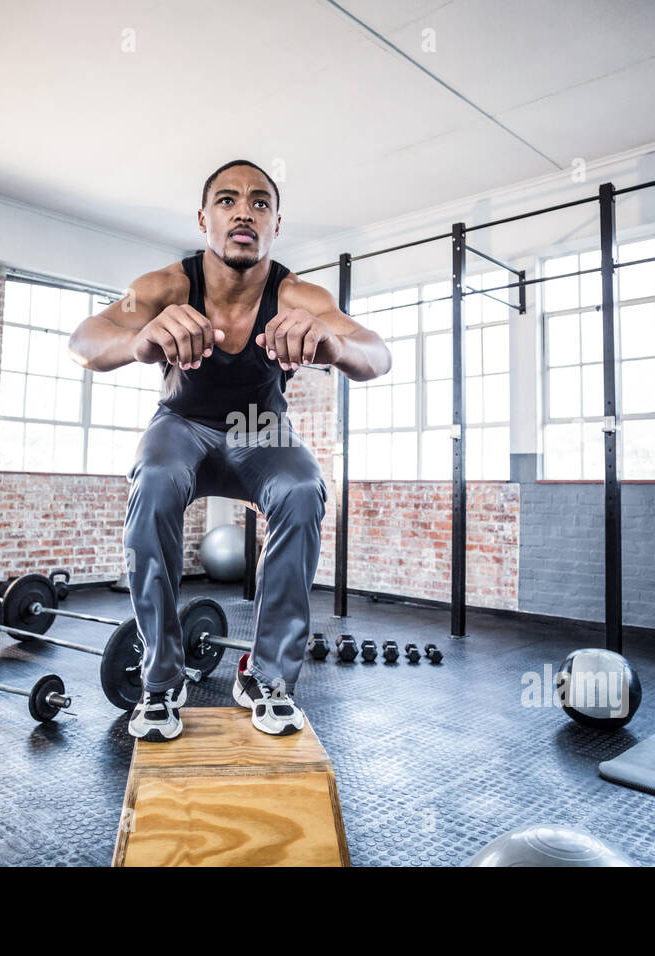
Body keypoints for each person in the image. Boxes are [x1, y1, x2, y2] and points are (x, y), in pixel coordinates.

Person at [69, 159, 390, 741]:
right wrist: (139, 340)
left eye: (260, 202)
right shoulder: (166, 285)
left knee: (301, 488)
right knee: (156, 481)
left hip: (258, 428)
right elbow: (84, 341)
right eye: (227, 200)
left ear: (275, 224)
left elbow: (376, 352)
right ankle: (162, 677)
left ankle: (266, 676)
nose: (244, 211)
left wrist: (333, 347)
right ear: (203, 218)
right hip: (181, 423)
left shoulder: (296, 293)